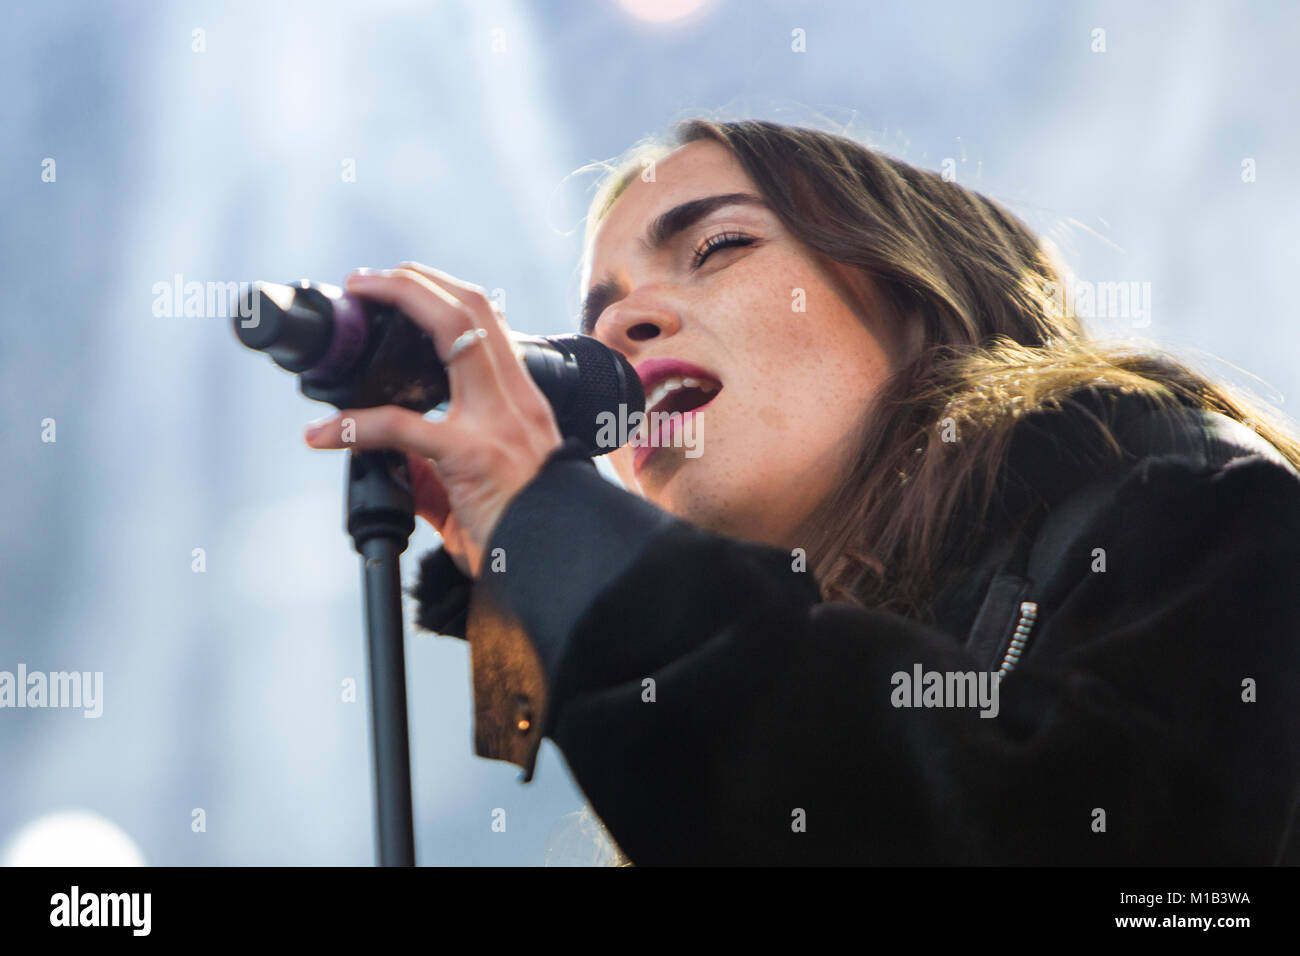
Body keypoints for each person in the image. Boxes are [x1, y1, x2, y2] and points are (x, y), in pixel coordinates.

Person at [303, 119, 1300, 865]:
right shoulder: (728, 736)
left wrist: (571, 540)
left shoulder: (1211, 517)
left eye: (718, 247)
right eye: (597, 315)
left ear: (922, 294)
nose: (622, 326)